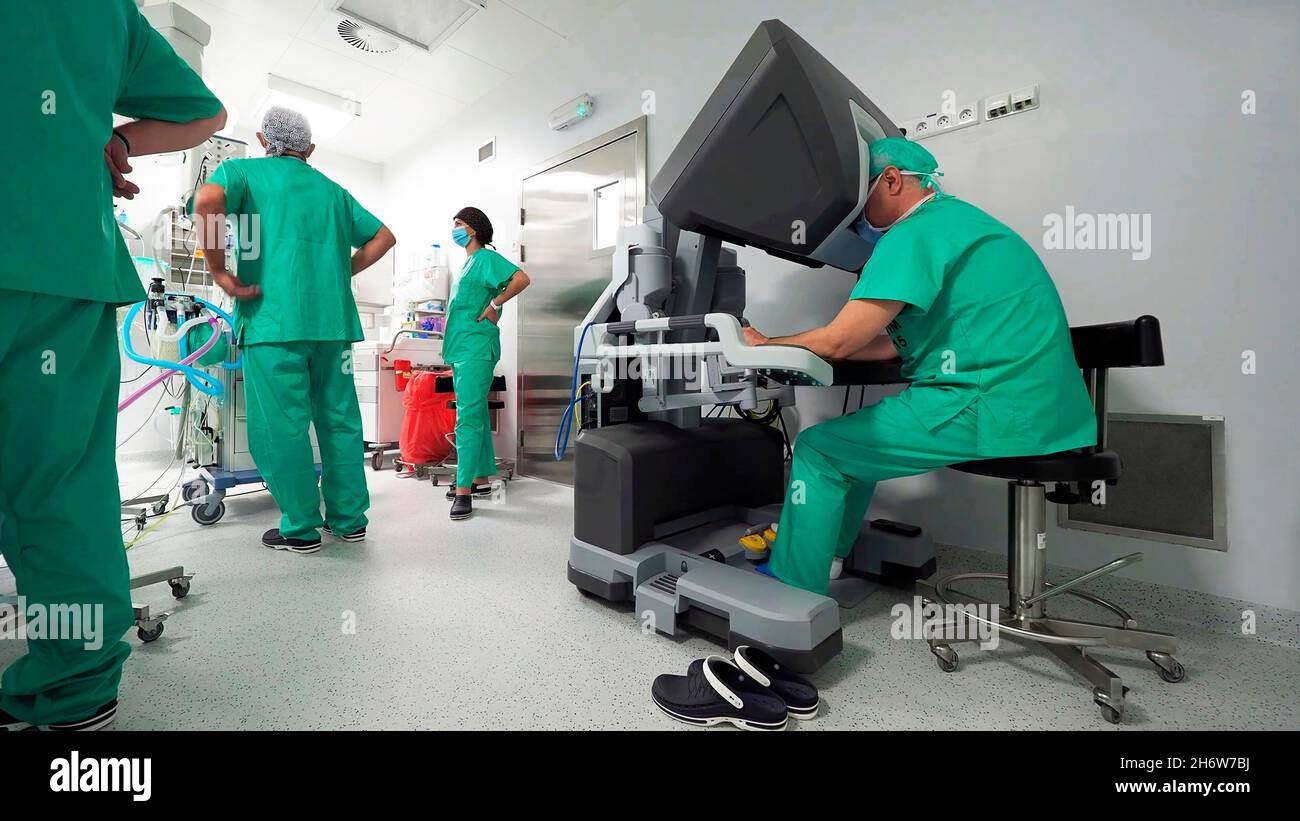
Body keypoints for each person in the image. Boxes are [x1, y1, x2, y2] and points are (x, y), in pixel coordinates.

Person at [1, 0, 226, 731]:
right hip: (64, 258)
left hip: (60, 255)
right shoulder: (104, 10)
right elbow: (204, 114)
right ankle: (76, 685)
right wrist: (110, 138)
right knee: (60, 478)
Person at [743, 138, 1096, 596]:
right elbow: (887, 345)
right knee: (854, 449)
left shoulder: (913, 234)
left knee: (819, 448)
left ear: (890, 181)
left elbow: (841, 338)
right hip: (1038, 405)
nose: (856, 217)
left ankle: (792, 586)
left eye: (859, 201)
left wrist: (762, 343)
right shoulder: (958, 222)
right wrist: (823, 348)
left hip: (988, 400)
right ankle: (827, 557)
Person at [193, 107, 396, 553]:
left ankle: (300, 528)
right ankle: (349, 521)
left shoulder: (241, 172)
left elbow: (206, 203)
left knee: (283, 426)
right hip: (333, 327)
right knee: (340, 422)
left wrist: (222, 273)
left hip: (273, 323)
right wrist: (339, 271)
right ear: (310, 150)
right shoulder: (334, 191)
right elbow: (383, 237)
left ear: (264, 141)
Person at [441, 208, 530, 521]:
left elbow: (521, 279)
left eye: (459, 224)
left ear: (474, 230)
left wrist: (494, 305)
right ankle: (478, 478)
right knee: (475, 412)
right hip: (463, 347)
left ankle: (463, 489)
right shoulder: (468, 264)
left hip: (475, 348)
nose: (454, 229)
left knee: (466, 416)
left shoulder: (486, 259)